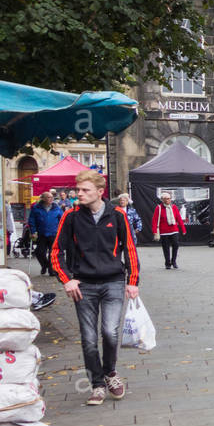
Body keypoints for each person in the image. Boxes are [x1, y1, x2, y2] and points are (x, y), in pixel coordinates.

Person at [51, 169, 140, 406]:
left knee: (110, 332)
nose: (78, 193)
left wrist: (132, 282)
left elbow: (130, 249)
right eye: (77, 189)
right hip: (84, 285)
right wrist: (67, 279)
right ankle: (98, 385)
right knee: (89, 339)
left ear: (100, 192)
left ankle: (110, 372)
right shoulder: (70, 216)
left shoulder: (118, 214)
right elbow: (56, 252)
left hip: (113, 282)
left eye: (84, 190)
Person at [29, 189, 65, 277]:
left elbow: (62, 219)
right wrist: (33, 231)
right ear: (43, 198)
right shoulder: (36, 208)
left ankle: (51, 269)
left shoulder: (56, 207)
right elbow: (31, 220)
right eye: (48, 197)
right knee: (39, 252)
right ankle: (45, 265)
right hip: (42, 233)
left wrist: (62, 231)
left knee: (52, 253)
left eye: (52, 197)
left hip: (53, 233)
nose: (51, 199)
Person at [152, 190, 186, 268]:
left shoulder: (174, 207)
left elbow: (179, 219)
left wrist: (183, 229)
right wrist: (154, 231)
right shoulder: (159, 208)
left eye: (169, 198)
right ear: (162, 200)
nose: (168, 200)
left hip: (174, 230)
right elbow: (154, 220)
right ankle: (167, 263)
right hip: (164, 231)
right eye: (166, 198)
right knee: (166, 248)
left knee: (176, 245)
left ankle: (173, 261)